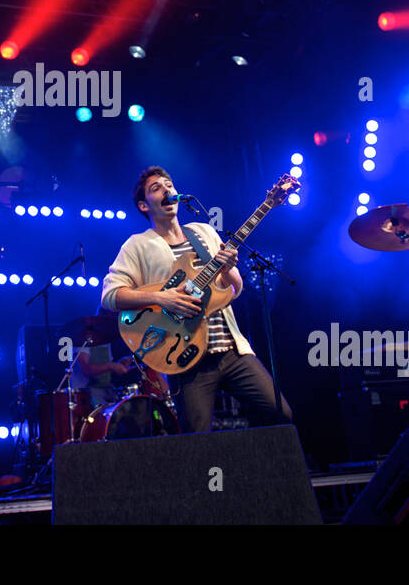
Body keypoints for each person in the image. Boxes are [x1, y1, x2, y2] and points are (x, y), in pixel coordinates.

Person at [99, 166, 291, 433]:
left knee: (280, 414)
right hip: (186, 358)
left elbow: (234, 288)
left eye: (169, 185)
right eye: (156, 188)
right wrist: (162, 298)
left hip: (232, 351)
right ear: (144, 205)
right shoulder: (137, 245)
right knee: (197, 439)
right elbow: (110, 296)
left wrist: (227, 269)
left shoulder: (203, 232)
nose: (167, 190)